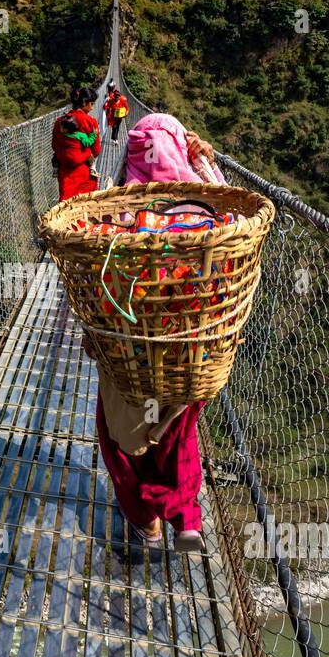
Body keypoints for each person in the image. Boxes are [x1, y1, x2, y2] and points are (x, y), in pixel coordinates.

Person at [90, 112, 223, 552]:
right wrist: (202, 159)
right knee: (178, 441)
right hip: (189, 355)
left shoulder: (120, 212)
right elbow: (232, 205)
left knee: (123, 446)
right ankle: (186, 518)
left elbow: (94, 278)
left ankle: (146, 525)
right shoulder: (209, 212)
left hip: (129, 357)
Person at [52, 87, 101, 201]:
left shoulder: (60, 121)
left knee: (66, 205)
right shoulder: (90, 121)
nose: (92, 108)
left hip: (65, 173)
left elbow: (54, 145)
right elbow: (96, 151)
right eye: (91, 104)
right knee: (85, 205)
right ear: (84, 102)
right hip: (84, 172)